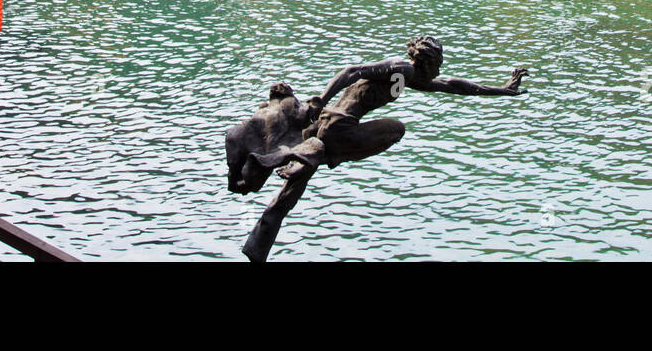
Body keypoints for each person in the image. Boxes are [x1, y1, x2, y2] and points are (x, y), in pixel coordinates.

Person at [226, 36, 527, 262]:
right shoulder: (400, 70)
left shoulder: (406, 80)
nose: (440, 69)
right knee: (396, 128)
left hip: (327, 128)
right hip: (338, 127)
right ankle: (305, 155)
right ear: (426, 62)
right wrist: (321, 97)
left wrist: (502, 90)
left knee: (284, 201)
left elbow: (454, 85)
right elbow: (352, 70)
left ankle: (256, 247)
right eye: (438, 63)